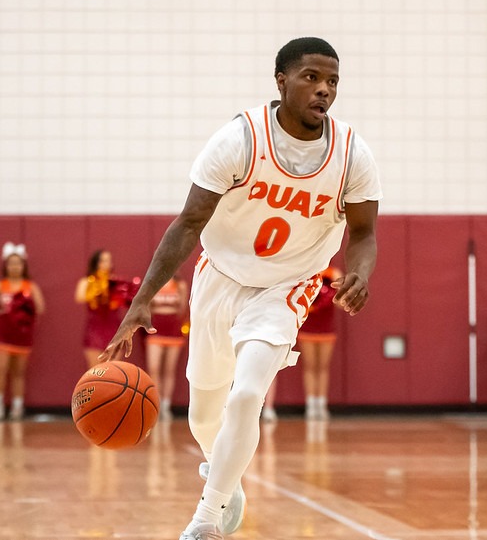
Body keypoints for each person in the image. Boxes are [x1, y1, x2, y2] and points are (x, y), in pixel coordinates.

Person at [101, 37, 381, 540]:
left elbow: (362, 232)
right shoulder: (239, 140)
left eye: (332, 82)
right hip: (221, 276)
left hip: (288, 285)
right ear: (281, 80)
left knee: (248, 392)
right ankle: (227, 479)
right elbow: (188, 223)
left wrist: (360, 271)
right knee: (204, 415)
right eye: (311, 78)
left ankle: (206, 520)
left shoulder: (351, 154)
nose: (324, 90)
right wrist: (142, 299)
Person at [0, 243, 45, 421]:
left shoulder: (31, 287)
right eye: (11, 263)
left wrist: (24, 309)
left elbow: (41, 308)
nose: (15, 267)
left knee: (19, 372)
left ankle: (17, 406)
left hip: (22, 336)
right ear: (6, 266)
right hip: (2, 335)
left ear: (24, 266)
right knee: (0, 369)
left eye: (18, 263)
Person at [74, 250, 135, 369]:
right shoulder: (87, 281)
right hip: (95, 331)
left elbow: (127, 300)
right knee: (94, 371)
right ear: (96, 262)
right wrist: (98, 289)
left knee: (112, 371)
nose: (106, 263)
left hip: (114, 330)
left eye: (108, 260)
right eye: (103, 260)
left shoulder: (116, 282)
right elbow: (79, 297)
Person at [298, 265, 343, 420]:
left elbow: (340, 302)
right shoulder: (306, 270)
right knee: (309, 366)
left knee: (323, 367)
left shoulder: (333, 273)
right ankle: (311, 405)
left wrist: (330, 295)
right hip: (307, 327)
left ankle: (321, 404)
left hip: (326, 327)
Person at [146, 276, 189, 421]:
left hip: (173, 330)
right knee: (154, 368)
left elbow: (183, 308)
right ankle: (156, 404)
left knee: (169, 369)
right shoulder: (153, 282)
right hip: (155, 328)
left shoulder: (180, 285)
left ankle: (166, 405)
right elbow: (147, 306)